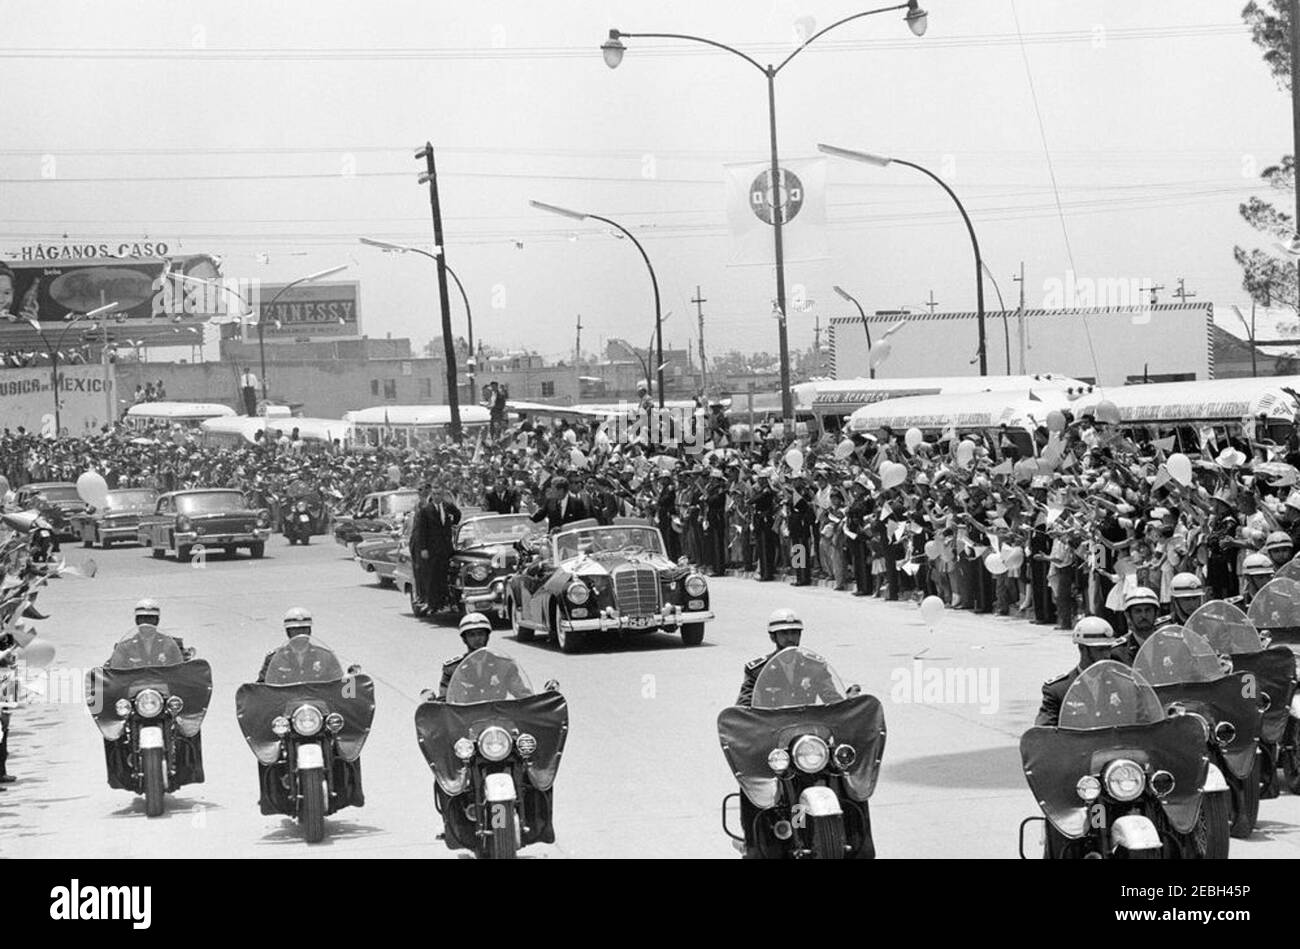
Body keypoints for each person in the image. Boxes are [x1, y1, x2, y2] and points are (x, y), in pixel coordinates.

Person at [735, 609, 850, 707]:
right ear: (773, 637)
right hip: (772, 729)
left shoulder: (814, 666)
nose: (790, 638)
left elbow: (831, 698)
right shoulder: (757, 670)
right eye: (784, 633)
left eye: (794, 633)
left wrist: (848, 703)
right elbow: (745, 706)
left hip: (807, 727)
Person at [1036, 616, 1127, 727]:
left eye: (1108, 648)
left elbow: (1141, 727)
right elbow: (1043, 735)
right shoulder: (1058, 690)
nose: (1106, 655)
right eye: (1100, 650)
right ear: (1082, 648)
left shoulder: (1124, 685)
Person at [430, 612, 533, 701]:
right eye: (472, 635)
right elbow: (445, 701)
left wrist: (537, 702)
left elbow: (523, 695)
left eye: (480, 634)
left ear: (487, 636)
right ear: (464, 639)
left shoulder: (504, 665)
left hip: (498, 718)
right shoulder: (452, 669)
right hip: (466, 721)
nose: (477, 639)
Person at [256, 608, 346, 684]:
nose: (300, 633)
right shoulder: (274, 658)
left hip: (317, 703)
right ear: (288, 631)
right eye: (295, 629)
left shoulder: (326, 657)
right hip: (286, 703)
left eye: (304, 629)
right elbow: (261, 689)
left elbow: (339, 685)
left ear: (309, 630)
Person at [412, 483, 460, 613]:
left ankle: (446, 602)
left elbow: (458, 515)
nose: (437, 496)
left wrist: (452, 523)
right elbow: (422, 531)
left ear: (443, 495)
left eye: (439, 494)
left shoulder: (447, 507)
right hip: (432, 549)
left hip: (446, 548)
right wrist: (423, 549)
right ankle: (433, 604)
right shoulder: (426, 510)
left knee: (445, 575)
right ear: (431, 495)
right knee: (433, 577)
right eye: (434, 494)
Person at [107, 599, 184, 668]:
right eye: (142, 618)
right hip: (134, 683)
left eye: (151, 619)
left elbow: (180, 672)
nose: (146, 623)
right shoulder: (125, 648)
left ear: (157, 621)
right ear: (137, 620)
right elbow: (114, 674)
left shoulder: (169, 645)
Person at [1110, 587, 1160, 666]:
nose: (1143, 616)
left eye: (1148, 610)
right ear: (1128, 615)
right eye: (1138, 611)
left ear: (1156, 613)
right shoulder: (1118, 653)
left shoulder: (1171, 645)